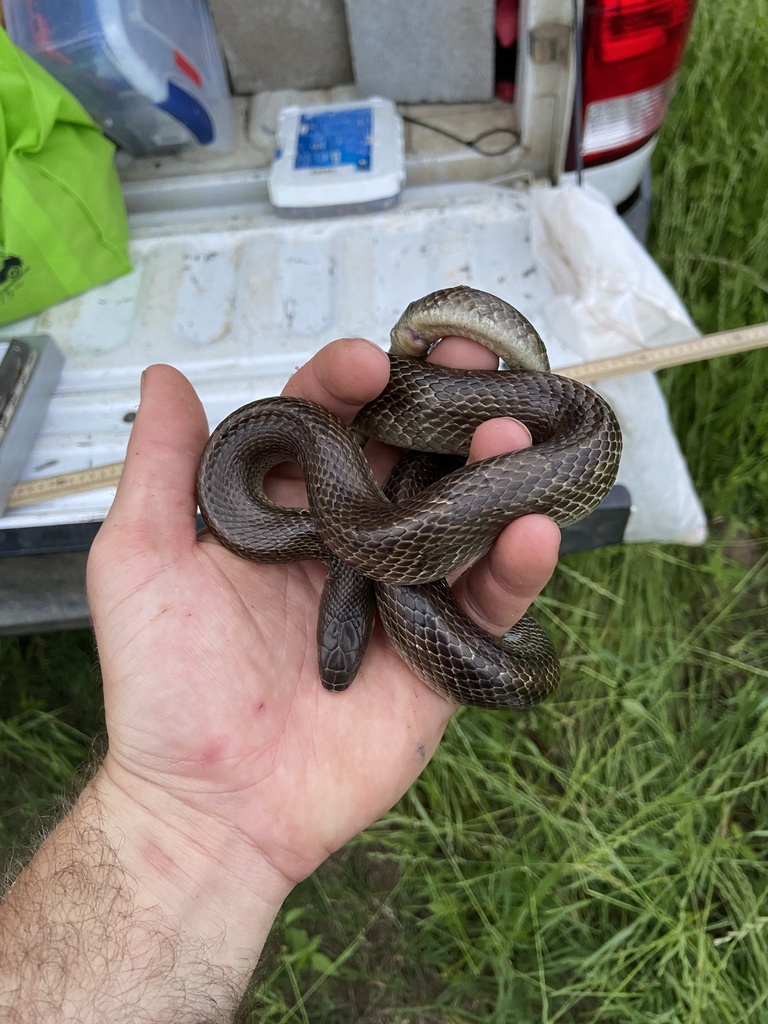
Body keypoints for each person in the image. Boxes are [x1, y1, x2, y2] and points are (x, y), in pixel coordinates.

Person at [0, 333, 560, 1021]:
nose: (340, 671)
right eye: (342, 660)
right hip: (366, 517)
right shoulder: (337, 530)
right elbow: (368, 543)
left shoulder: (364, 541)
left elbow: (377, 547)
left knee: (440, 488)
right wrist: (183, 811)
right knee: (406, 472)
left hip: (386, 512)